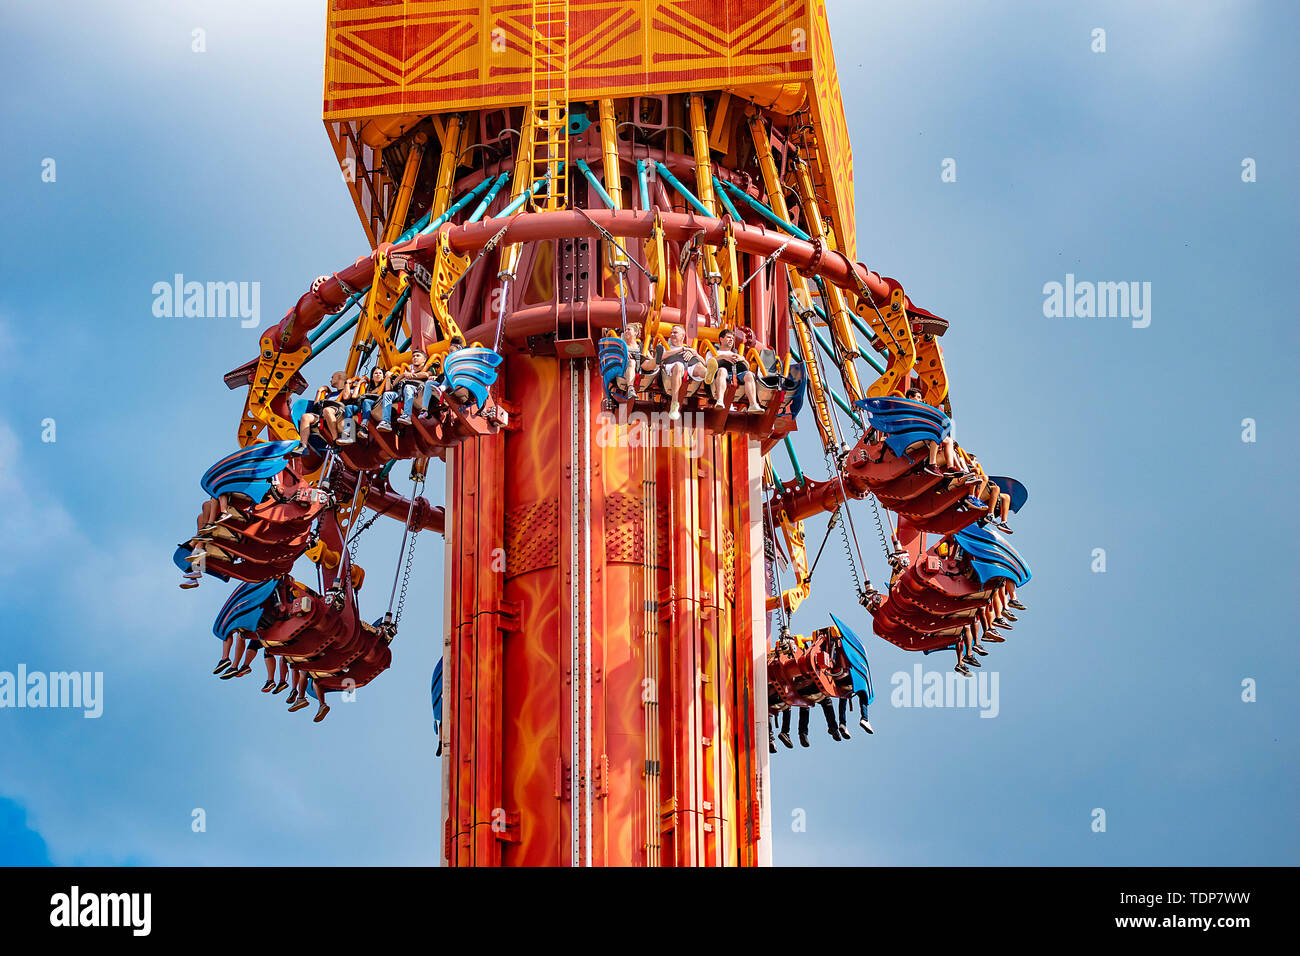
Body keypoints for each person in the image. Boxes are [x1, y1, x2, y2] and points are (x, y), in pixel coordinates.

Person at [642, 324, 705, 421]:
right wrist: (682, 349)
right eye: (671, 333)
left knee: (701, 367)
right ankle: (674, 403)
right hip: (670, 370)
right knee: (678, 366)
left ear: (683, 336)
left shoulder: (689, 349)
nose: (672, 335)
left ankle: (709, 375)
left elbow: (703, 362)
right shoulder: (665, 347)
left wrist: (694, 353)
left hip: (689, 369)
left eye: (675, 332)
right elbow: (661, 357)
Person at [711, 328, 762, 412]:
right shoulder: (714, 352)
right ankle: (720, 400)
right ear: (721, 339)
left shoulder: (736, 353)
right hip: (722, 373)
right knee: (722, 370)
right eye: (728, 337)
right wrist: (723, 357)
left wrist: (742, 359)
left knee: (749, 374)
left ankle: (753, 404)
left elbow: (747, 367)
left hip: (737, 373)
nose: (731, 340)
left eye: (732, 338)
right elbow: (707, 364)